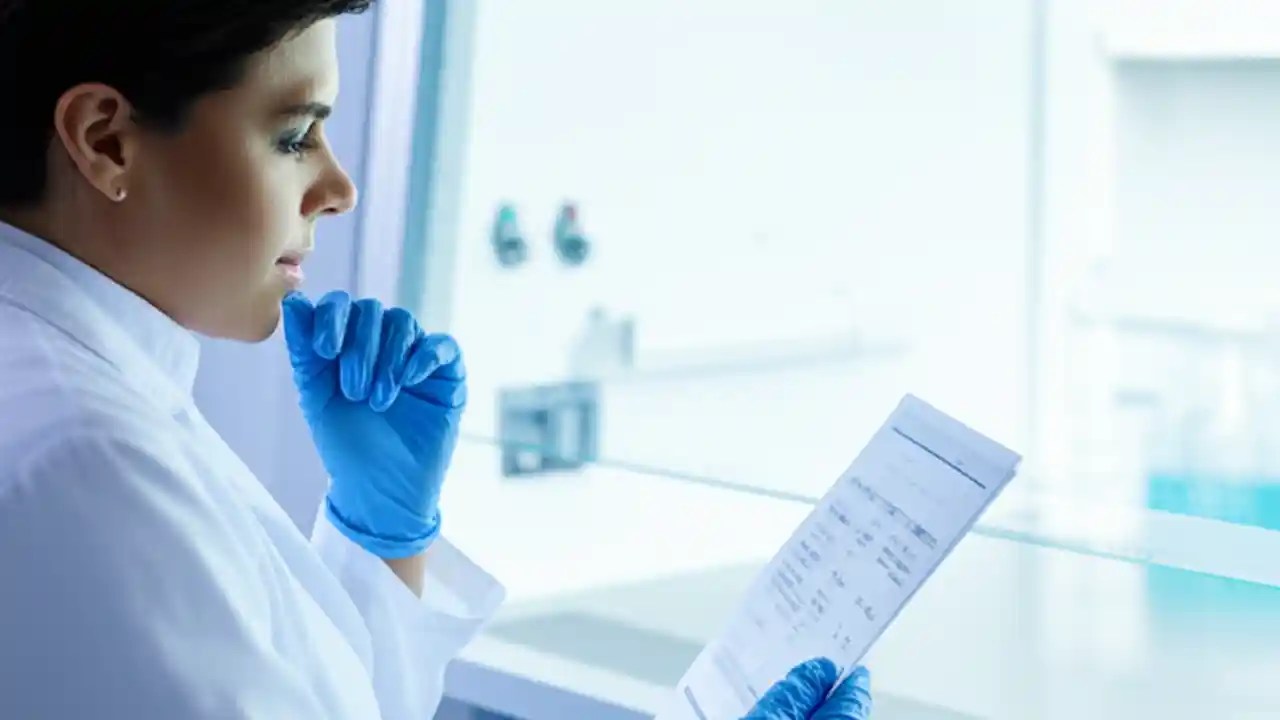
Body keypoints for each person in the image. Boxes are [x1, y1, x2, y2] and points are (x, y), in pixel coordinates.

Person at [0, 2, 873, 719]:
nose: (339, 188)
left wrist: (380, 539)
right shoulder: (94, 460)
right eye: (296, 136)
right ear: (106, 140)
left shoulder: (85, 390)